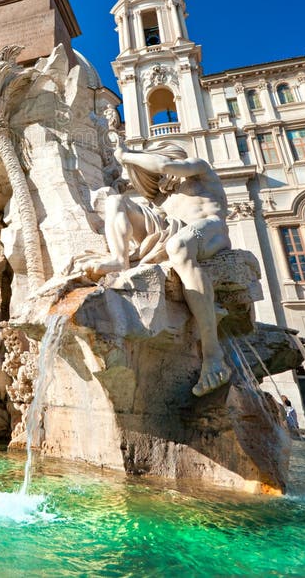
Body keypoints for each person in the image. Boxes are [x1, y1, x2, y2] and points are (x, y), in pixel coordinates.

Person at [72, 138, 232, 397]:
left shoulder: (199, 168)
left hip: (210, 229)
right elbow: (152, 190)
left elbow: (165, 164)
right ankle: (118, 258)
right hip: (175, 230)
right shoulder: (162, 195)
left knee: (178, 247)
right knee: (115, 202)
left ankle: (213, 353)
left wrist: (126, 155)